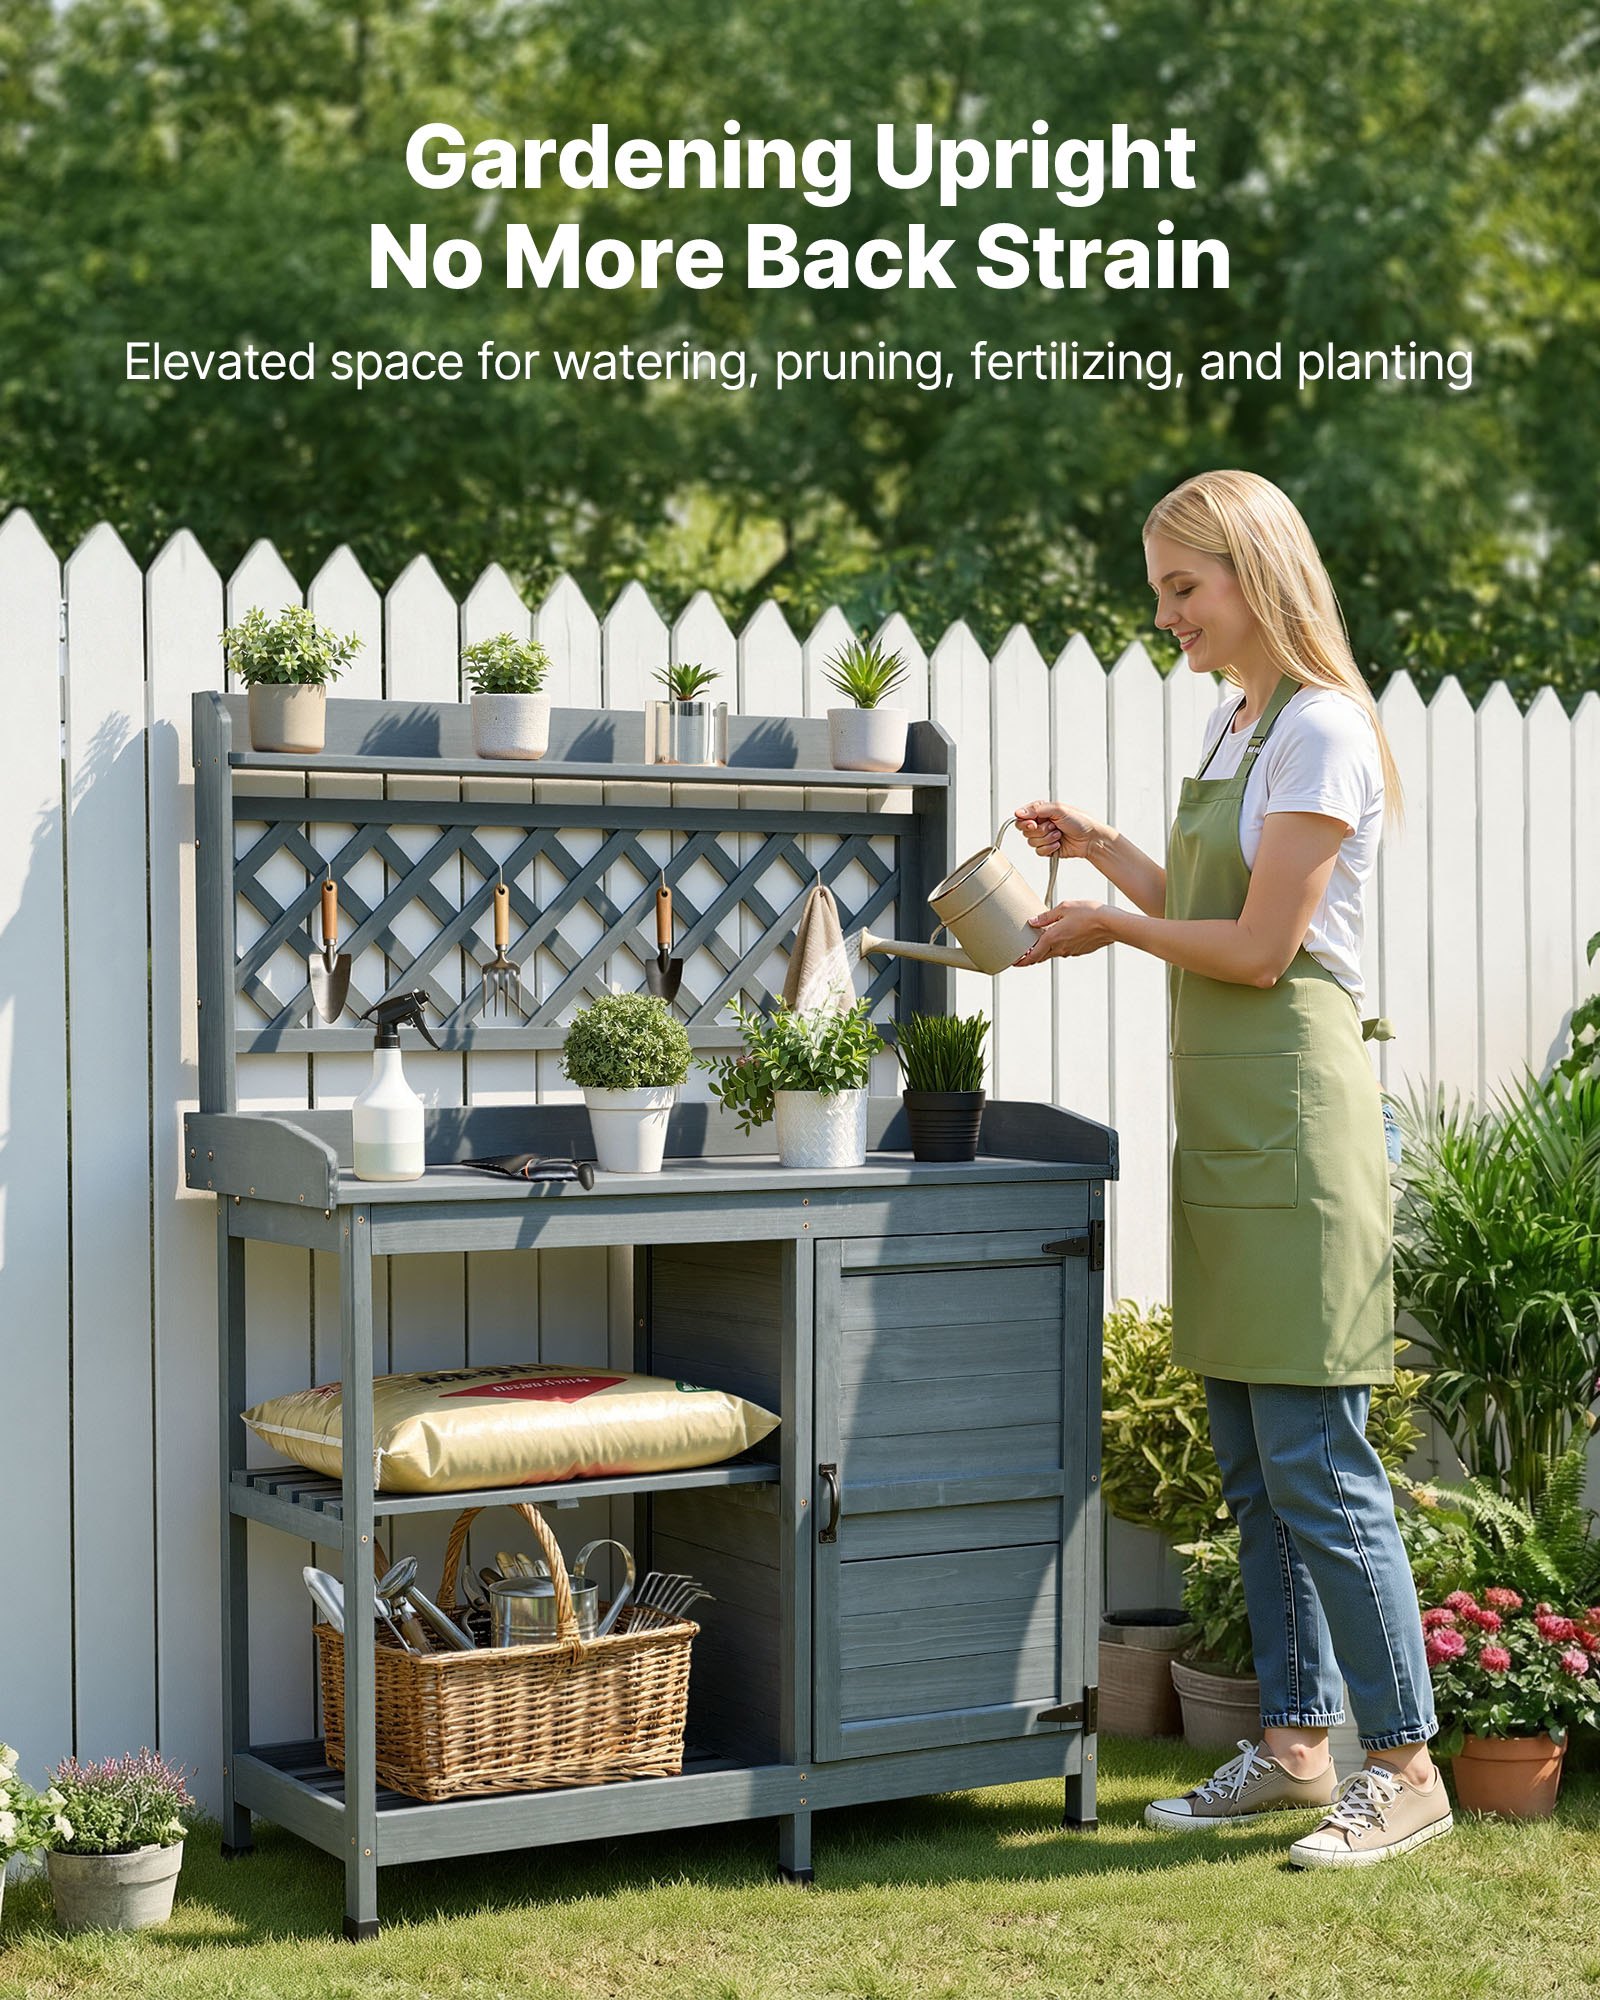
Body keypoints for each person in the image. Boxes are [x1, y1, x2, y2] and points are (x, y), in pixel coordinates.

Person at [1012, 468, 1450, 1868]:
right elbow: (1205, 899)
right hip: (1227, 1123)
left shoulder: (1320, 728)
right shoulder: (1238, 724)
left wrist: (1108, 930)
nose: (1168, 615)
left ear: (1255, 577)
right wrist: (1107, 857)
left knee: (1321, 1462)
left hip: (1302, 1127)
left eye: (1182, 588)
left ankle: (1410, 1767)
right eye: (1161, 591)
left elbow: (1263, 952)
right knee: (1257, 1470)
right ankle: (1294, 1749)